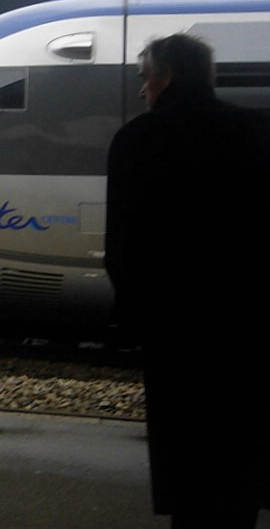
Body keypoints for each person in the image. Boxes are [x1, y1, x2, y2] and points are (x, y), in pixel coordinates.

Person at [105, 33, 270, 527]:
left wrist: (137, 321)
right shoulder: (260, 130)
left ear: (166, 76)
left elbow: (123, 250)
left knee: (190, 471)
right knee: (242, 463)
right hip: (252, 329)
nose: (142, 91)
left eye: (144, 79)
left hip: (177, 335)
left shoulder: (138, 139)